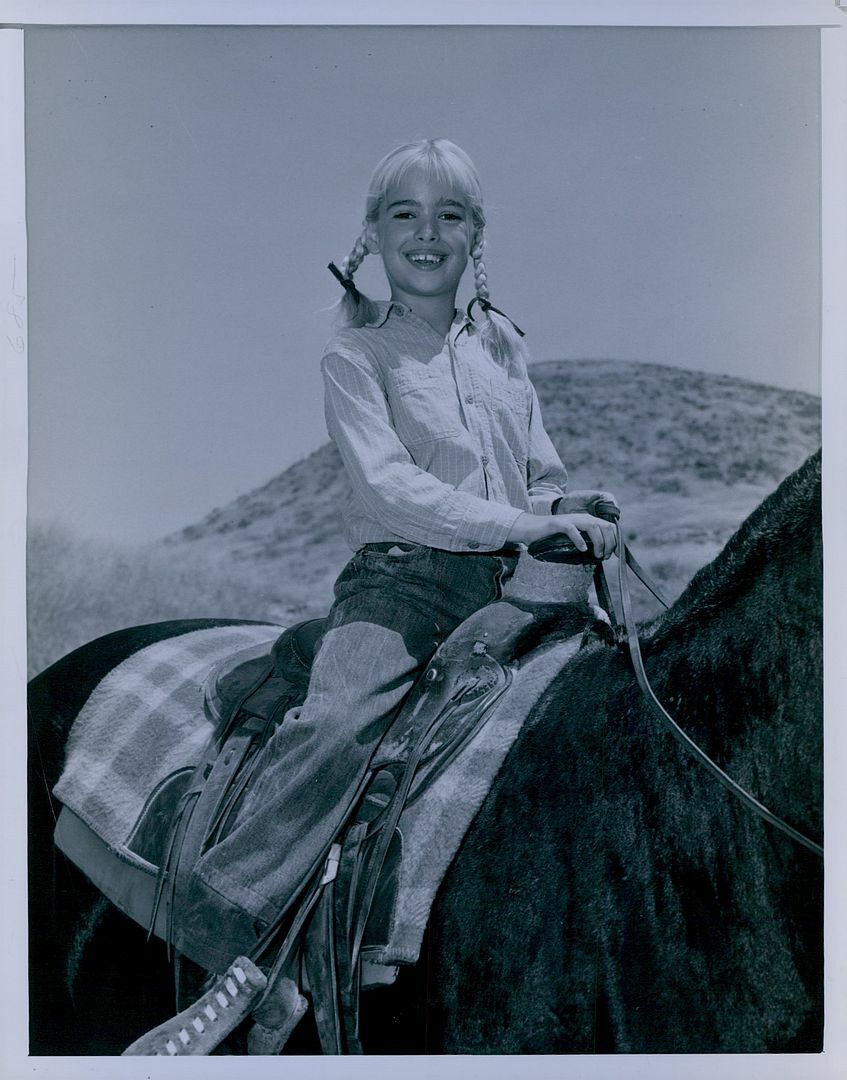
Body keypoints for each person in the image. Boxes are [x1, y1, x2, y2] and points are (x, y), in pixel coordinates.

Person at [176, 138, 619, 975]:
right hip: (404, 586)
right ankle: (227, 929)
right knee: (337, 724)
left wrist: (562, 511)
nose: (426, 233)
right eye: (404, 214)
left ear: (474, 234)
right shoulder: (357, 356)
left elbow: (538, 477)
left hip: (511, 586)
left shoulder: (504, 353)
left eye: (448, 215)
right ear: (372, 234)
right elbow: (387, 487)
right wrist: (516, 523)